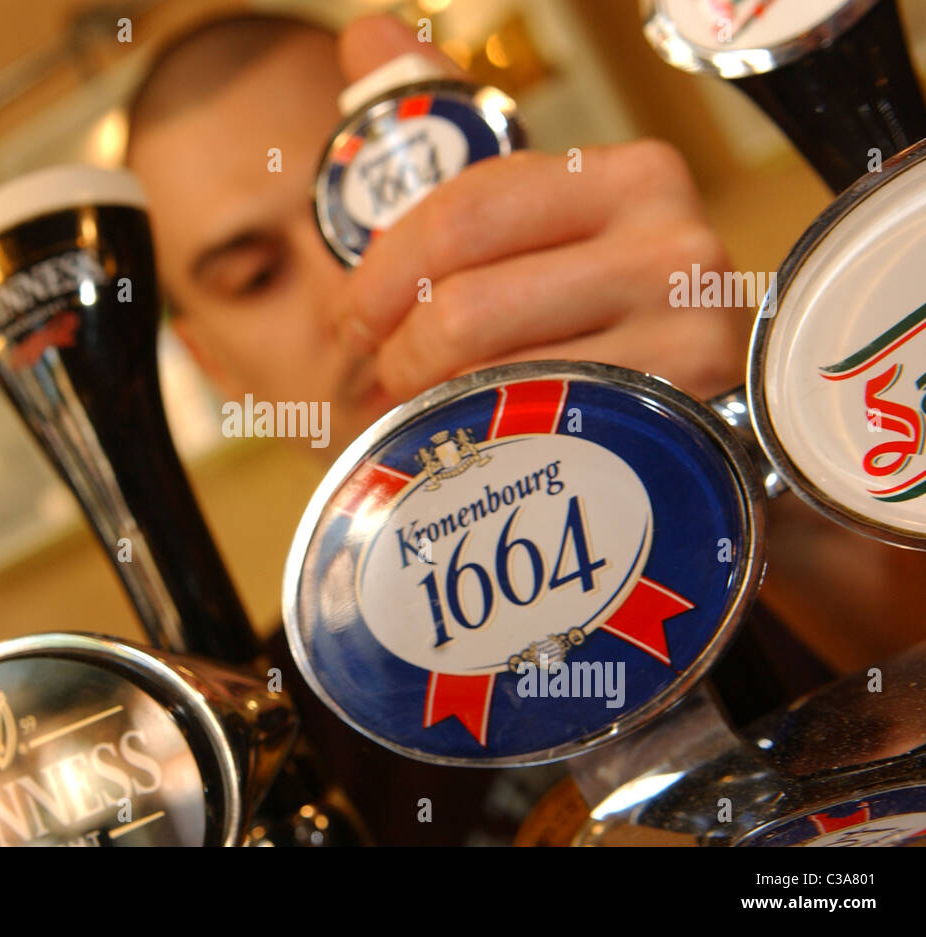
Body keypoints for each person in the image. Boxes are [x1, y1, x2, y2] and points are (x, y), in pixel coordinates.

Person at [122, 8, 926, 843]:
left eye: (378, 191)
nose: (351, 293)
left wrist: (781, 467)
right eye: (255, 275)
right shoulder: (268, 751)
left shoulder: (781, 477)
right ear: (211, 361)